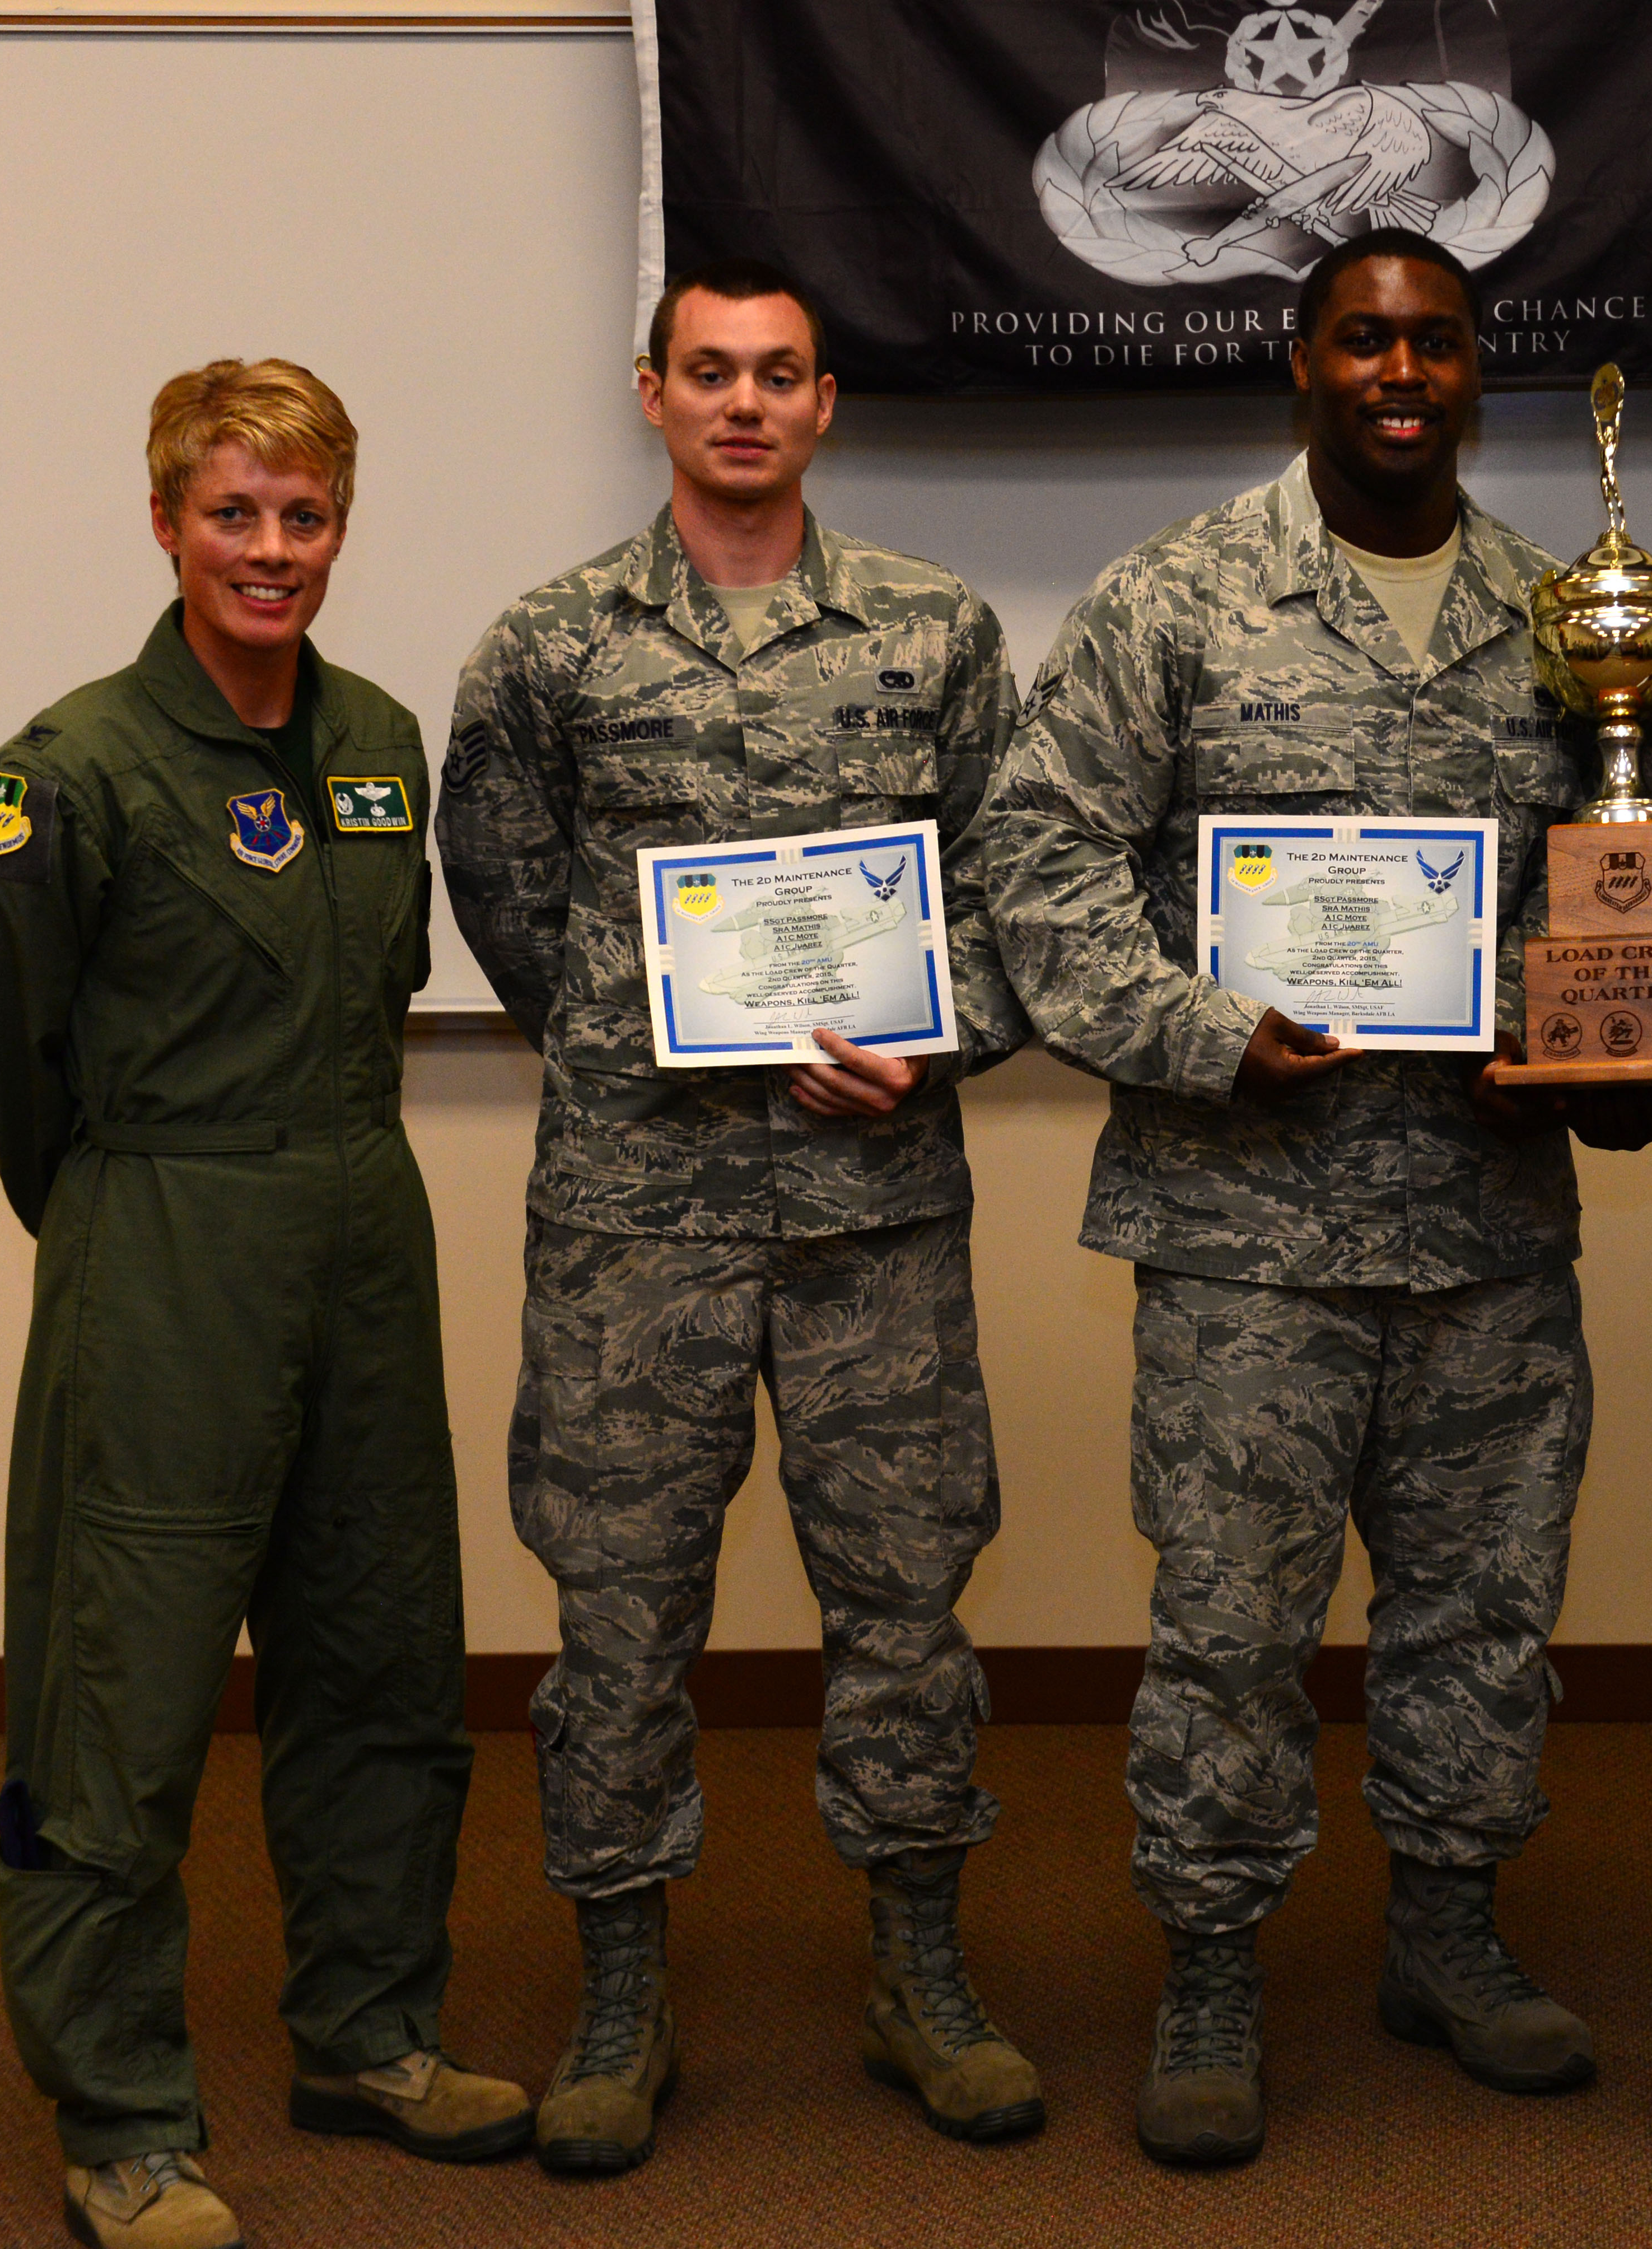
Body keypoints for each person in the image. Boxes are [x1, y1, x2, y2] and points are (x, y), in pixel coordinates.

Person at [984, 228, 1604, 2170]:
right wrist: (1203, 1034)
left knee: (1484, 1613)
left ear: (1477, 370)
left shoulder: (1571, 617)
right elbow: (1041, 861)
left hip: (1488, 1229)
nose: (1399, 371)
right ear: (1303, 363)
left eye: (1433, 341)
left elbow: (1630, 881)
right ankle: (1216, 1957)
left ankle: (1448, 1928)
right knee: (1232, 1625)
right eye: (1364, 339)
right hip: (1245, 1232)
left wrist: (1585, 1033)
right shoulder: (1176, 598)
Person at [0, 360, 531, 2249]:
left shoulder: (374, 740)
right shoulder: (73, 766)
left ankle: (366, 2035)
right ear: (168, 522)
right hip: (168, 1248)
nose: (271, 551)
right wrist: (115, 1208)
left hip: (362, 1227)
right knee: (127, 1698)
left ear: (340, 527)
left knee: (383, 1660)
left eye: (305, 515)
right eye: (234, 513)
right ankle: (119, 2113)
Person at [440, 259, 1039, 2174]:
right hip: (635, 1221)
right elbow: (513, 902)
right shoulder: (550, 647)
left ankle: (919, 1978)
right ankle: (622, 1996)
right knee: (617, 1621)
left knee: (907, 1608)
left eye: (780, 374)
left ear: (827, 400)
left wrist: (922, 1036)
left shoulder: (939, 634)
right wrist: (657, 1044)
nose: (745, 404)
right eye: (711, 373)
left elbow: (1018, 896)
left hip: (874, 1217)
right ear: (653, 393)